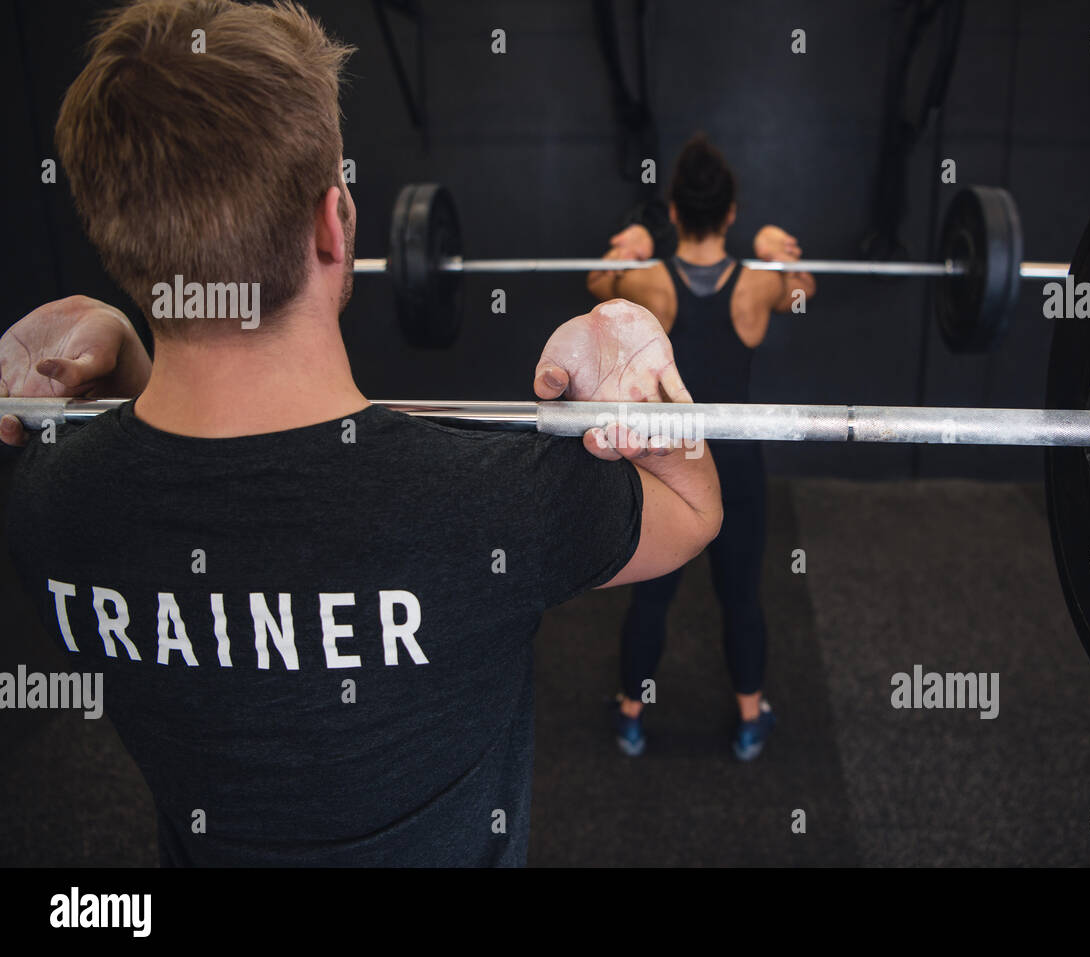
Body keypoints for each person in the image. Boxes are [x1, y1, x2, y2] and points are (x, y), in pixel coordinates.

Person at [0, 0, 721, 866]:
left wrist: (123, 364)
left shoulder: (49, 506)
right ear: (332, 223)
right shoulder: (493, 502)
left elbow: (189, 488)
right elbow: (693, 508)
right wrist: (630, 335)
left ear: (121, 238)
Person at [586, 134, 815, 760]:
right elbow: (803, 295)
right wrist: (780, 250)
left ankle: (631, 715)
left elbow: (597, 287)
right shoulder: (759, 285)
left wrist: (620, 249)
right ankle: (749, 718)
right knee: (741, 591)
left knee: (651, 590)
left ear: (676, 212)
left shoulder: (645, 282)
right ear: (731, 213)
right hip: (735, 460)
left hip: (666, 458)